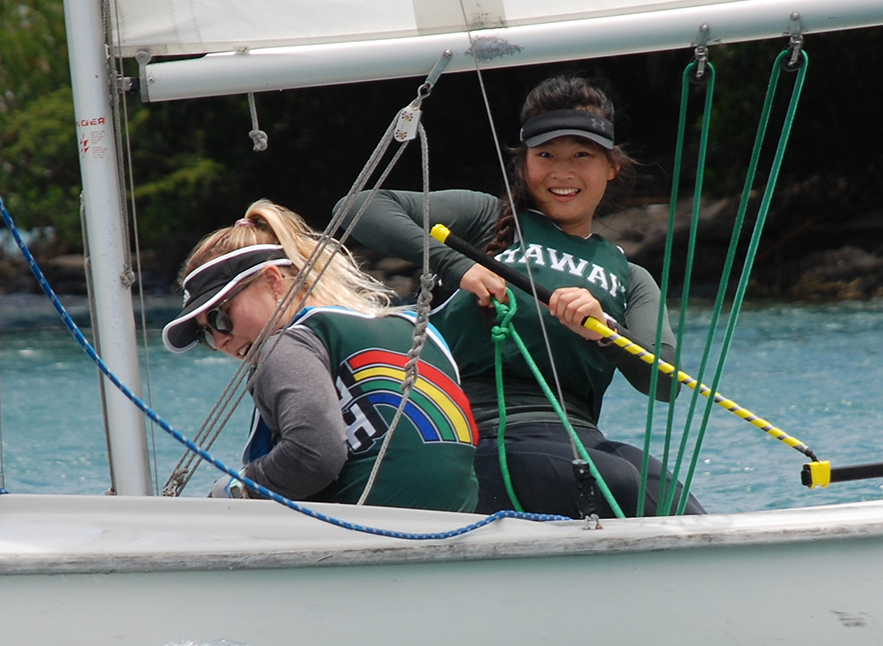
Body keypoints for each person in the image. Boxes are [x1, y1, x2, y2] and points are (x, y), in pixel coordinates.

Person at [341, 75, 703, 517]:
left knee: (669, 497)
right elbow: (358, 206)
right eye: (545, 155)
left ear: (612, 166)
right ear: (523, 164)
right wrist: (461, 266)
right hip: (477, 432)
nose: (562, 172)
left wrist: (607, 332)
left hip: (575, 436)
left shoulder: (632, 277)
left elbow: (664, 382)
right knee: (620, 484)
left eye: (582, 156)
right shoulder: (486, 219)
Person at [163, 202, 480, 513]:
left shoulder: (286, 345)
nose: (220, 341)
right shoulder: (421, 331)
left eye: (220, 317)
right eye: (205, 335)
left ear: (274, 281)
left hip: (370, 539)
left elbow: (312, 456)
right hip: (457, 528)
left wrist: (238, 489)